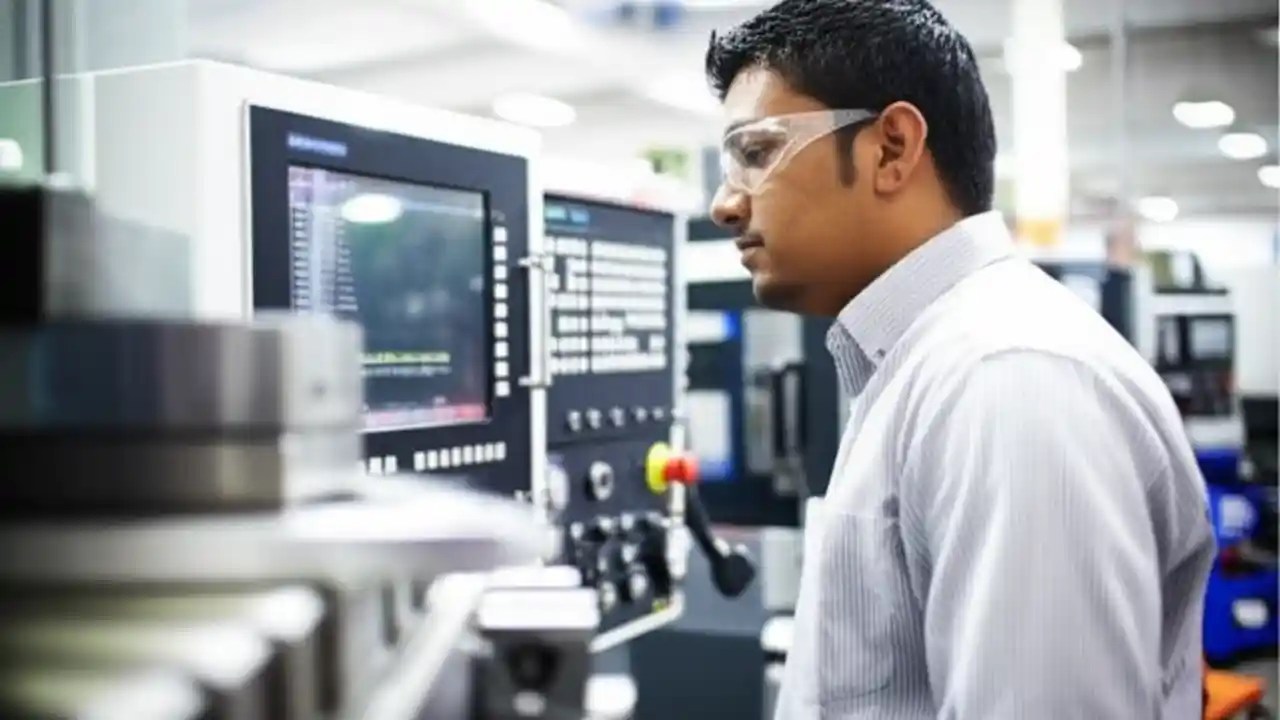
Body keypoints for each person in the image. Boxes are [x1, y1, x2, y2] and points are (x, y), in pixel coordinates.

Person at [703, 1, 1216, 718]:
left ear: (892, 149)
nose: (725, 204)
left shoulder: (1007, 378)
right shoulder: (928, 364)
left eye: (757, 152)